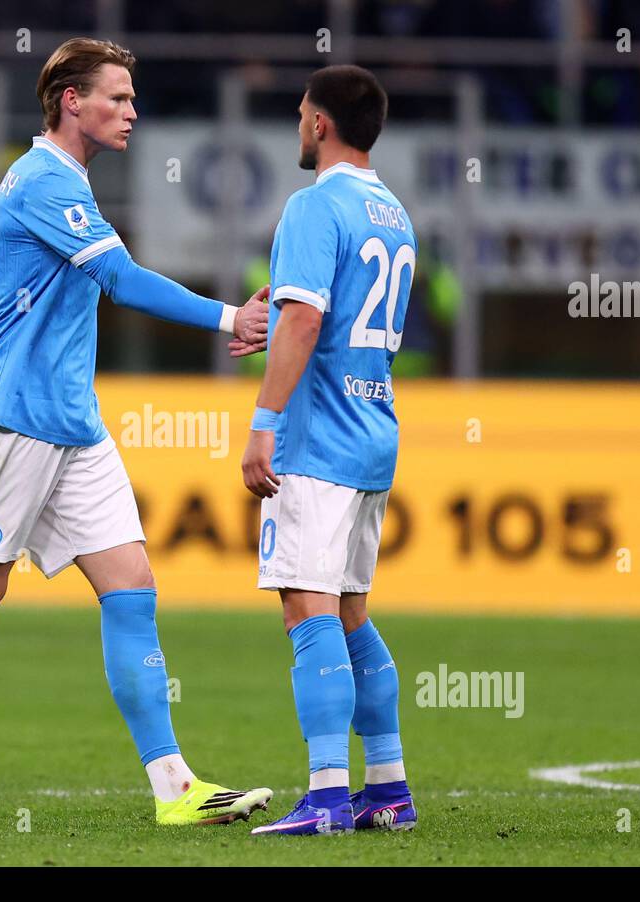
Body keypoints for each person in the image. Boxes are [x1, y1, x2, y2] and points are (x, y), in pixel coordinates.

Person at [0, 37, 274, 826]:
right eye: (118, 97)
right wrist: (229, 316)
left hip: (74, 424)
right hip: (16, 419)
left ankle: (175, 789)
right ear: (73, 101)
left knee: (132, 587)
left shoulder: (67, 181)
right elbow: (122, 280)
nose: (133, 111)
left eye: (134, 98)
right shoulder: (41, 180)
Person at [242, 65, 418, 836]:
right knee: (350, 613)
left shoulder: (314, 207)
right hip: (375, 432)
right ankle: (388, 787)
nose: (298, 125)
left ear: (319, 123)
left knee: (306, 609)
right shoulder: (395, 213)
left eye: (301, 114)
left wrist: (263, 420)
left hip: (318, 442)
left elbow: (305, 323)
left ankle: (323, 797)